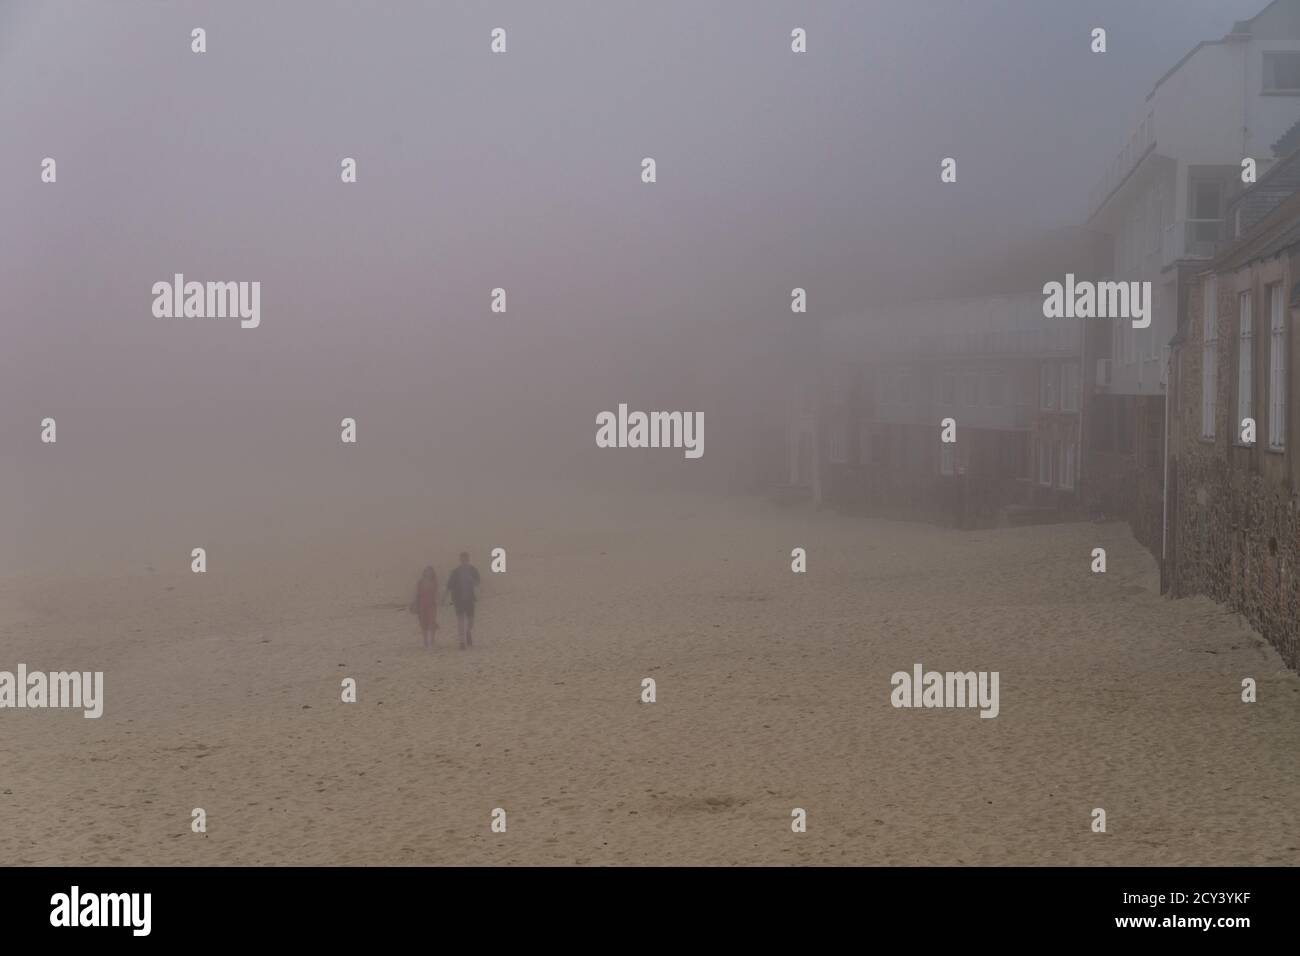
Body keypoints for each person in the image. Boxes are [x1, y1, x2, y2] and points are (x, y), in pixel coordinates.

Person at [444, 551, 481, 649]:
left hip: (470, 598)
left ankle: (468, 632)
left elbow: (478, 582)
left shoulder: (473, 570)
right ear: (460, 560)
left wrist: (472, 580)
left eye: (466, 559)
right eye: (462, 559)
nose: (464, 560)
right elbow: (449, 585)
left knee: (471, 620)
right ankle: (462, 642)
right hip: (458, 599)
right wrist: (444, 597)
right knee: (460, 620)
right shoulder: (455, 571)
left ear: (468, 559)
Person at [410, 566, 440, 649]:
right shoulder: (420, 582)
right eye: (427, 571)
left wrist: (439, 601)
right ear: (424, 572)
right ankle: (425, 642)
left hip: (432, 605)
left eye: (430, 572)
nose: (429, 573)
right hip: (422, 605)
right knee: (423, 624)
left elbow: (437, 593)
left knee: (432, 622)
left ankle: (432, 640)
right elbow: (416, 593)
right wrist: (414, 603)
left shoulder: (434, 582)